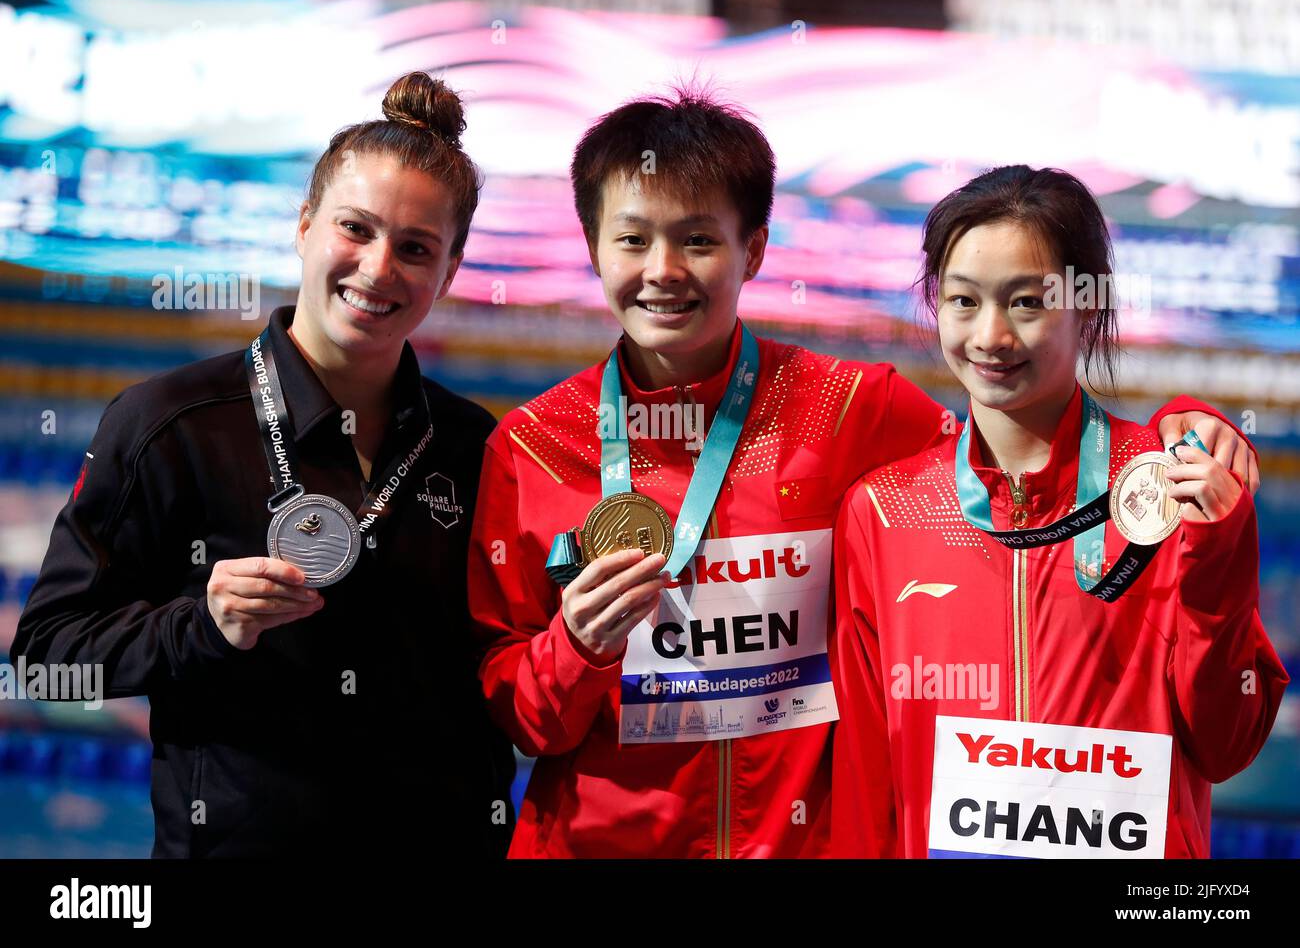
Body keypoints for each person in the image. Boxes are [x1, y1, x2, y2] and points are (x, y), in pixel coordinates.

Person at [467, 88, 1254, 858]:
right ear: (592, 244)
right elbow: (516, 716)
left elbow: (1019, 444)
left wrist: (1179, 431)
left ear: (756, 248)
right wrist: (572, 648)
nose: (664, 270)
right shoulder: (533, 448)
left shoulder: (849, 409)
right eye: (633, 240)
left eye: (699, 240)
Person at [13, 72, 515, 858]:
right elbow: (47, 663)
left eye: (416, 248)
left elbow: (503, 666)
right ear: (305, 224)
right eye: (355, 228)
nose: (380, 269)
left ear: (449, 272)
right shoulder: (168, 426)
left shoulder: (470, 446)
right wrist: (201, 626)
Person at [829, 164, 1289, 859]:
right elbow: (865, 777)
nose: (990, 335)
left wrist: (1218, 548)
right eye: (962, 301)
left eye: (1025, 303)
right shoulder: (885, 511)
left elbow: (1227, 745)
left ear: (1090, 308)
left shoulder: (1173, 491)